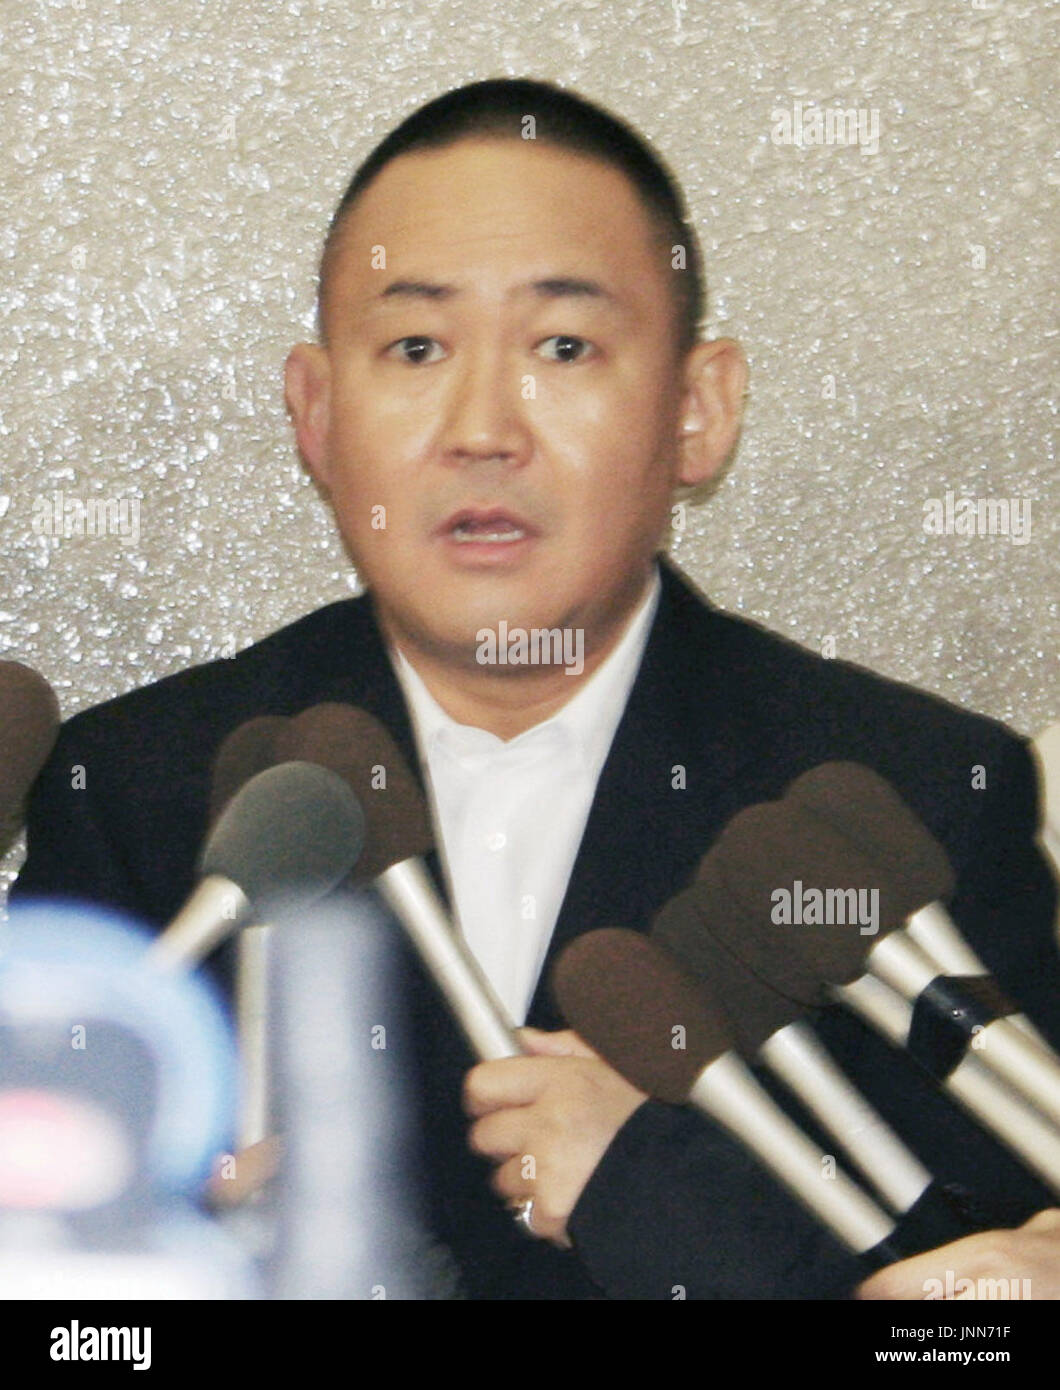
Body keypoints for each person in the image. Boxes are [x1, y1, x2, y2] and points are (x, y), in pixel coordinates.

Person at [13, 78, 1060, 1300]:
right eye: (415, 347)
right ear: (316, 414)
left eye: (563, 346)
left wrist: (654, 1193)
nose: (482, 429)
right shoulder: (140, 792)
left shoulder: (908, 798)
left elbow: (986, 1297)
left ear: (695, 410)